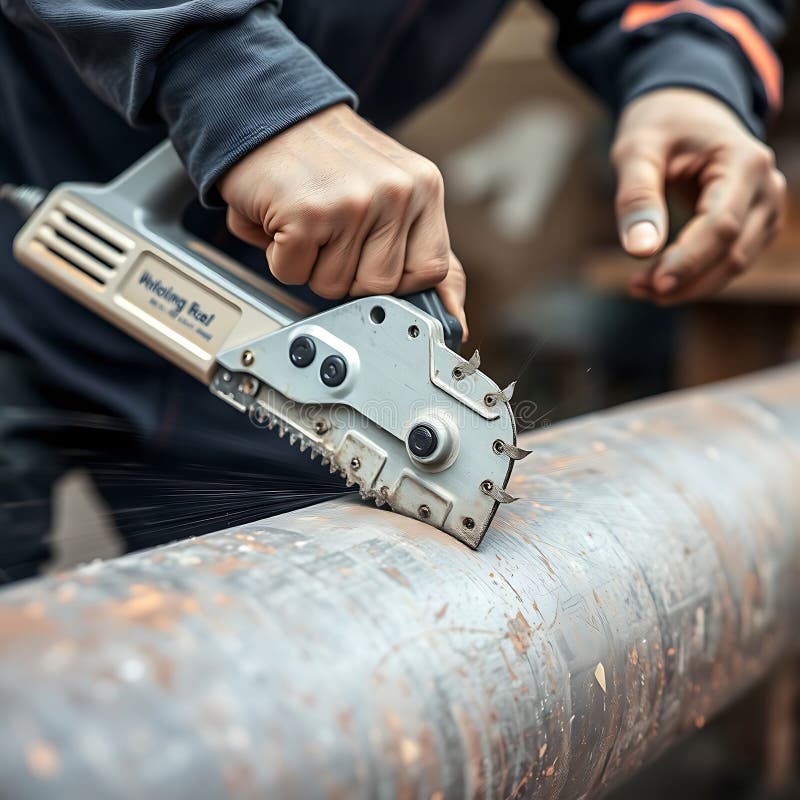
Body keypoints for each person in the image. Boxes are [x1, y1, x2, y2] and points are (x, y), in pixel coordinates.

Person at [0, 0, 789, 580]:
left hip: (270, 327)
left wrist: (690, 72)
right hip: (23, 217)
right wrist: (238, 81)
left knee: (310, 667)